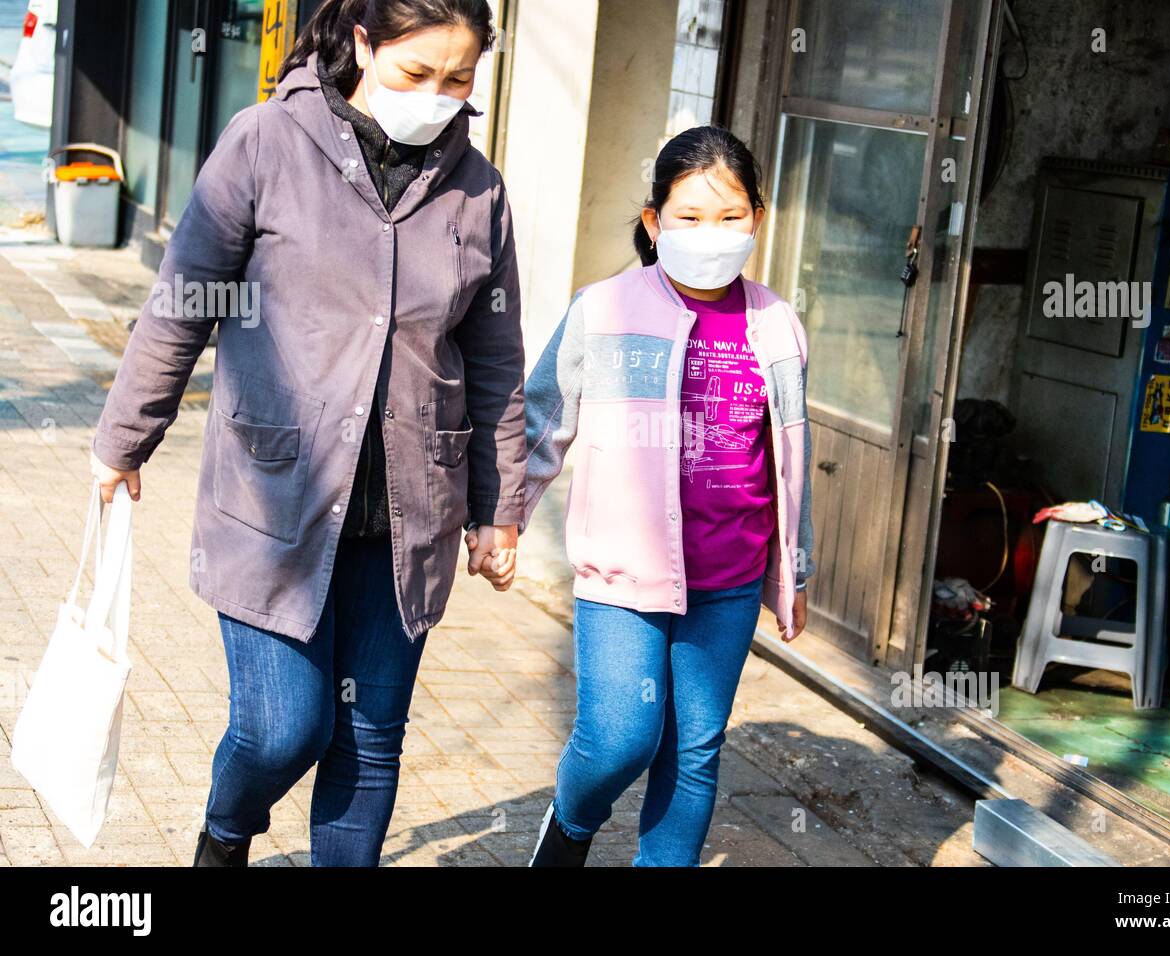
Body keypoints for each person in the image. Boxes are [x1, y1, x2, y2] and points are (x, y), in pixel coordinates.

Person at [89, 0, 524, 867]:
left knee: (368, 744)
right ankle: (224, 837)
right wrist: (123, 439)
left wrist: (499, 506)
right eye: (414, 74)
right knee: (284, 728)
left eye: (459, 80)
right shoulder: (264, 144)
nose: (437, 97)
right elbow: (186, 302)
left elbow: (496, 360)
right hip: (274, 501)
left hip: (409, 517)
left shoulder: (478, 192)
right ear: (363, 42)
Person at [500, 125, 815, 867]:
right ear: (654, 222)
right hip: (621, 575)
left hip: (727, 581)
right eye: (690, 217)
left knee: (694, 750)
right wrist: (503, 516)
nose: (712, 234)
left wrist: (789, 574)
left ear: (758, 221)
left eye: (731, 217)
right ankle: (570, 827)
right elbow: (543, 420)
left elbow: (790, 463)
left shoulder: (778, 325)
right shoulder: (604, 309)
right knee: (619, 739)